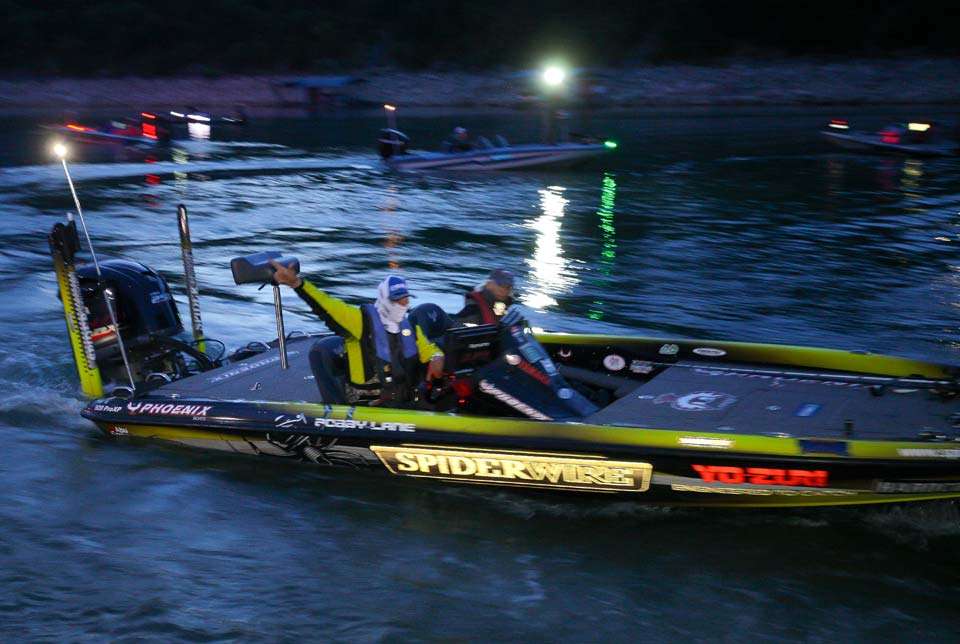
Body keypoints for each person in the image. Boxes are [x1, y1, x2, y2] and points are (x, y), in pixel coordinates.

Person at [271, 261, 445, 406]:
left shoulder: (410, 328)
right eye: (397, 299)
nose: (403, 304)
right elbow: (326, 304)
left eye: (405, 299)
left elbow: (429, 349)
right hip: (366, 407)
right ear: (384, 300)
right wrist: (297, 284)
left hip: (403, 402)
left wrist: (437, 357)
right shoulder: (360, 321)